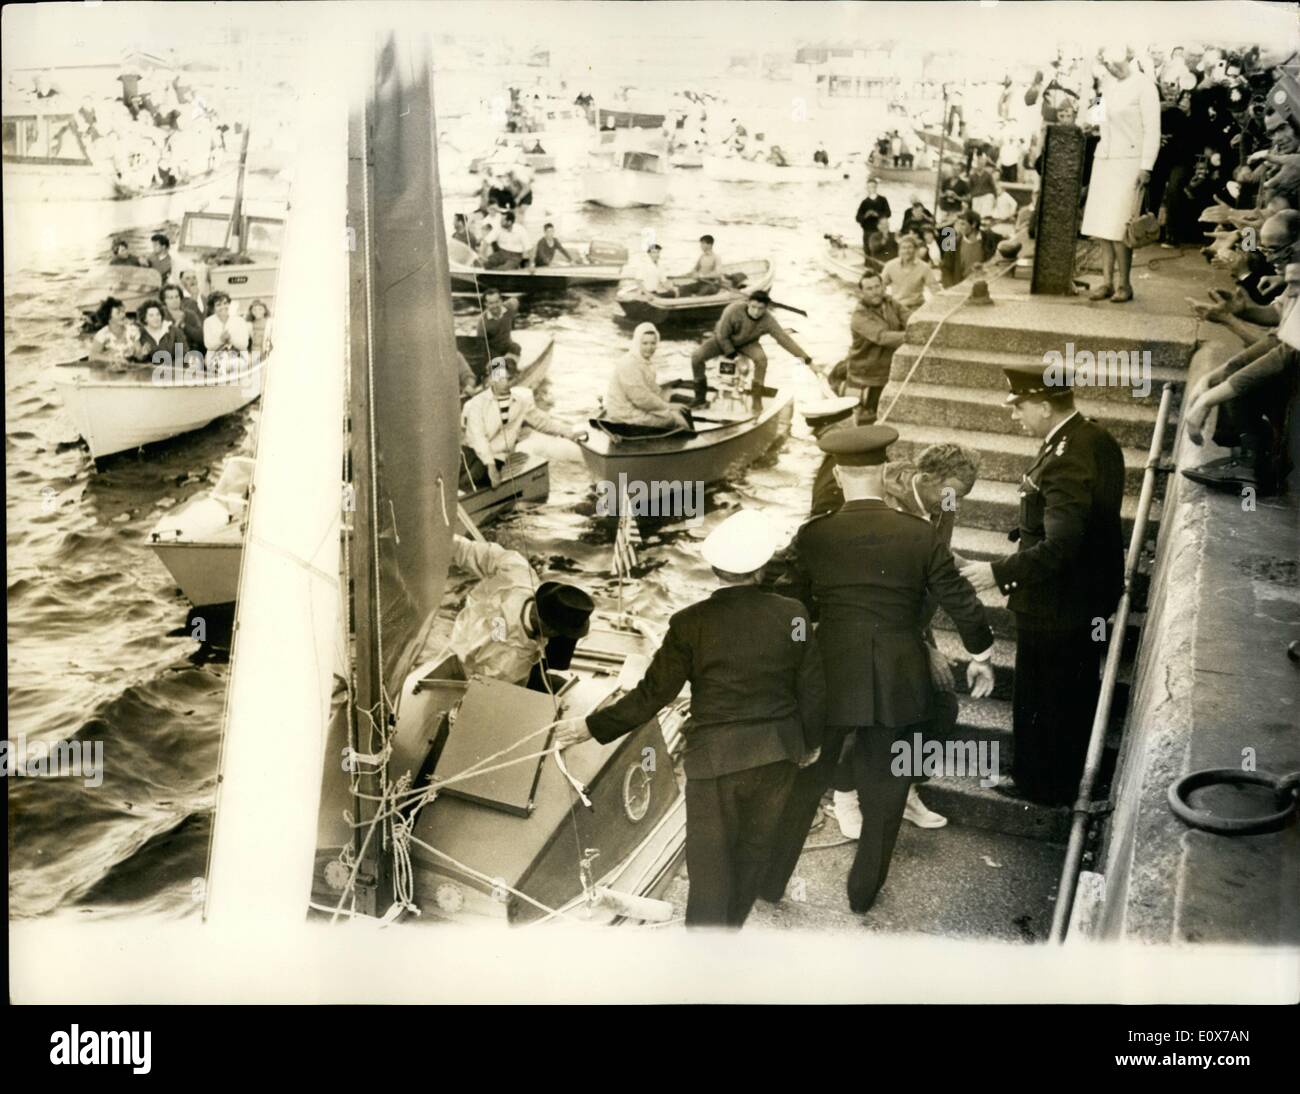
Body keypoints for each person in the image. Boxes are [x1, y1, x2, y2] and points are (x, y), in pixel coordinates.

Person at [759, 426, 996, 913]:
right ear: (886, 469)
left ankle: (770, 882)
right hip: (899, 673)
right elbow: (961, 600)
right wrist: (981, 655)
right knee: (887, 789)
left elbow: (789, 601)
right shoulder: (920, 535)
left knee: (806, 781)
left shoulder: (814, 534)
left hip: (830, 671)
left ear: (839, 476)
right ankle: (862, 894)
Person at [552, 508, 825, 929]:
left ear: (715, 569)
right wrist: (810, 743)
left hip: (714, 761)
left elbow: (653, 695)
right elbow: (812, 687)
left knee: (709, 865)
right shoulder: (795, 617)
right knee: (753, 854)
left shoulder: (688, 624)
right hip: (777, 753)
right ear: (762, 568)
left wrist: (590, 726)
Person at [960, 367, 1125, 807]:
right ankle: (1058, 780)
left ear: (1044, 406)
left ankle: (1042, 785)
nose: (1014, 415)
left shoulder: (1067, 455)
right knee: (1068, 690)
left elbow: (1062, 544)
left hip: (1057, 601)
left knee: (1043, 695)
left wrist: (998, 573)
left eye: (1019, 407)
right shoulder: (1091, 437)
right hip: (1082, 594)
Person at [446, 533, 595, 687]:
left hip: (503, 652)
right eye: (563, 632)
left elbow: (468, 550)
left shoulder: (518, 573)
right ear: (550, 630)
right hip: (468, 651)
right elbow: (488, 685)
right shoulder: (508, 661)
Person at [1080, 44, 1160, 304]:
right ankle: (1106, 282)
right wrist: (1091, 92)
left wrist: (1146, 166)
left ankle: (1124, 284)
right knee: (1102, 226)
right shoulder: (1106, 83)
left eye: (1113, 62)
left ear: (1127, 56)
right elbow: (1095, 119)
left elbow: (1152, 129)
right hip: (1105, 159)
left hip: (1130, 161)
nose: (1110, 68)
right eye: (1106, 64)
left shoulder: (1144, 85)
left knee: (1120, 227)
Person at [459, 356, 588, 490]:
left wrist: (569, 433)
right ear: (490, 379)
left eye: (509, 379)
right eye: (500, 379)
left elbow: (542, 422)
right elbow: (476, 437)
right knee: (463, 479)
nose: (505, 383)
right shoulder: (473, 405)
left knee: (472, 479)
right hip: (473, 453)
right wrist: (490, 466)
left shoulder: (521, 402)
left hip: (496, 457)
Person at [689, 290, 815, 408]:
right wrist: (735, 357)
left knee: (762, 360)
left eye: (760, 309)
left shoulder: (768, 320)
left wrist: (808, 360)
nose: (756, 312)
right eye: (753, 307)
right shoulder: (733, 310)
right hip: (723, 340)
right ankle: (700, 398)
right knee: (696, 357)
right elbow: (722, 335)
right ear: (748, 303)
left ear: (766, 308)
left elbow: (784, 339)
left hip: (748, 343)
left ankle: (756, 398)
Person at [837, 271, 907, 423]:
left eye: (877, 286)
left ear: (883, 286)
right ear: (861, 292)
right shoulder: (859, 316)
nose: (875, 292)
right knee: (869, 417)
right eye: (869, 289)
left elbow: (909, 318)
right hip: (867, 376)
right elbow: (882, 337)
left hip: (888, 370)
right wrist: (912, 336)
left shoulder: (890, 303)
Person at [603, 322, 692, 430]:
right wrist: (668, 407)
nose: (649, 348)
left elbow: (651, 390)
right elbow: (641, 398)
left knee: (677, 412)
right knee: (673, 420)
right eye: (644, 343)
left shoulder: (642, 361)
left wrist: (668, 404)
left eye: (653, 343)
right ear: (637, 343)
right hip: (623, 414)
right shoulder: (629, 364)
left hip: (634, 407)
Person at [940, 209, 1001, 288]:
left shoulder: (990, 239)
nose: (959, 228)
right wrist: (950, 288)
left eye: (963, 224)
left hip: (984, 287)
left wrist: (986, 265)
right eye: (958, 224)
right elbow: (945, 268)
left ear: (973, 224)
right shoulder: (953, 243)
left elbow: (1002, 256)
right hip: (961, 288)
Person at [880, 234, 940, 313]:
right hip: (896, 308)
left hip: (917, 308)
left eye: (909, 247)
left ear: (915, 249)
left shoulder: (924, 267)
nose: (906, 251)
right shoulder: (890, 266)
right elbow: (880, 286)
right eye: (903, 248)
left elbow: (935, 289)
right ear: (899, 250)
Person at [86, 296, 142, 367]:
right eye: (118, 313)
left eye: (123, 311)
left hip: (132, 370)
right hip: (110, 371)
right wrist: (112, 359)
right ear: (108, 317)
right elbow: (92, 356)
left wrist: (142, 353)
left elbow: (140, 357)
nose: (123, 315)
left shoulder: (133, 330)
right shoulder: (102, 334)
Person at [202, 291, 251, 364]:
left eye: (225, 303)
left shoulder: (240, 320)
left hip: (238, 356)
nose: (223, 307)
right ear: (213, 308)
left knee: (235, 365)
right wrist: (221, 340)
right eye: (218, 305)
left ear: (229, 304)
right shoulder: (208, 322)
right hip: (215, 357)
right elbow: (208, 345)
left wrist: (230, 338)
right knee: (221, 365)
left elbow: (244, 345)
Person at [475, 288, 522, 363]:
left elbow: (515, 300)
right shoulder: (482, 322)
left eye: (497, 302)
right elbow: (481, 346)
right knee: (501, 366)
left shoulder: (509, 307)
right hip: (493, 351)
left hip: (507, 347)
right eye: (491, 303)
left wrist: (513, 318)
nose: (495, 306)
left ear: (501, 301)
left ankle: (510, 364)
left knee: (516, 347)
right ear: (486, 304)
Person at [160, 283, 204, 351]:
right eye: (170, 298)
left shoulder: (190, 315)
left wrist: (184, 325)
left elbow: (201, 337)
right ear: (164, 300)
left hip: (190, 352)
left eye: (177, 296)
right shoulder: (159, 316)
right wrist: (177, 325)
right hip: (167, 353)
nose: (175, 300)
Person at [855, 178, 892, 258]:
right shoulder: (864, 202)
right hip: (868, 230)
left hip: (880, 231)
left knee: (881, 252)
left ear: (876, 187)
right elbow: (858, 218)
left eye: (873, 186)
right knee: (867, 252)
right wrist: (866, 215)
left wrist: (877, 214)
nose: (872, 189)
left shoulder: (883, 200)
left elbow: (888, 213)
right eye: (869, 187)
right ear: (867, 188)